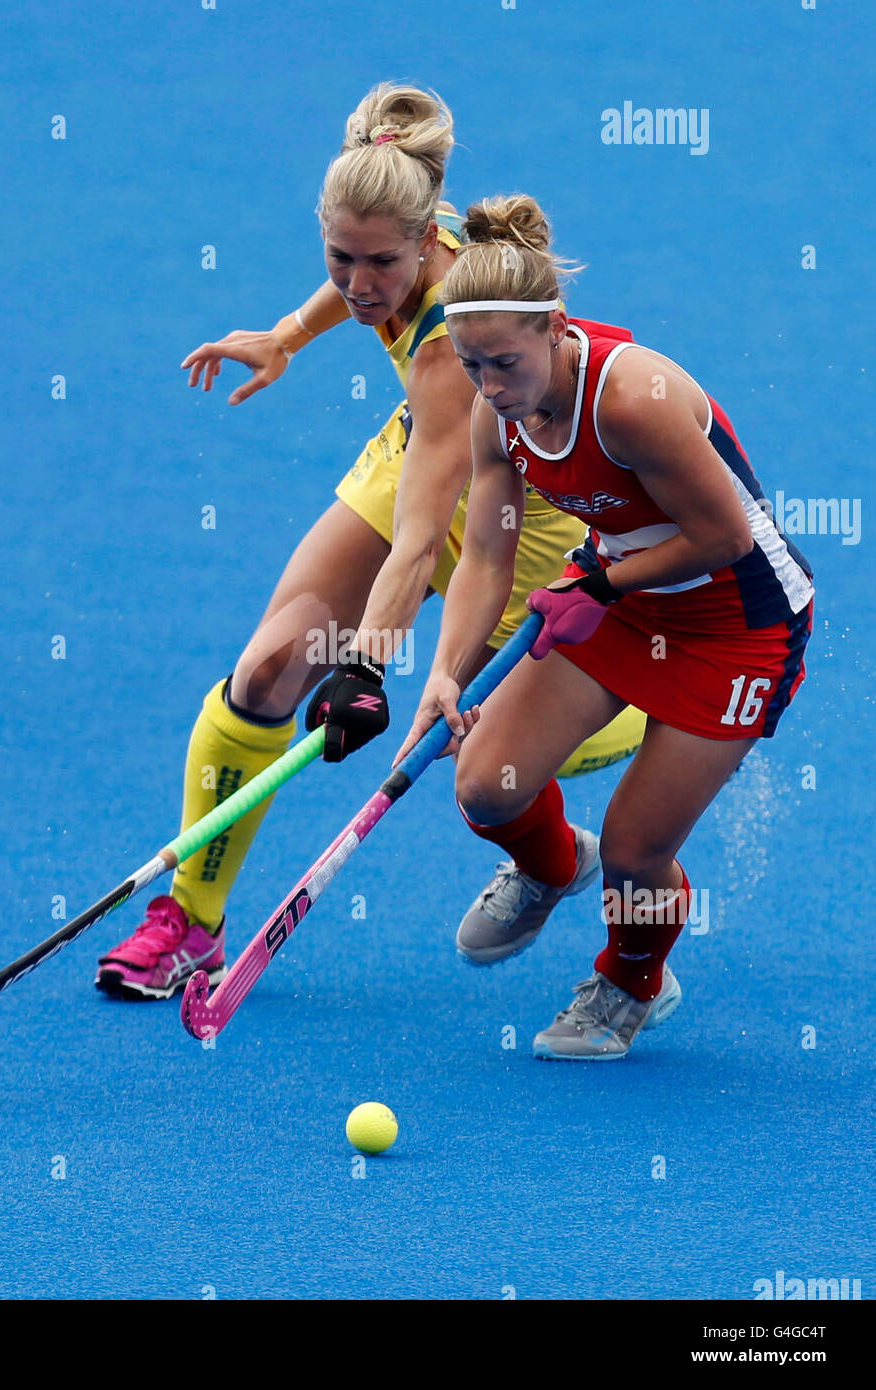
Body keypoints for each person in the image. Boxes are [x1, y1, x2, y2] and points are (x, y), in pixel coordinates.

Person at [95, 90, 644, 1001]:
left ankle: (560, 850)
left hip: (522, 521)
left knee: (491, 765)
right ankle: (190, 924)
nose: (357, 285)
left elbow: (425, 541)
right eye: (338, 258)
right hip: (427, 462)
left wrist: (364, 669)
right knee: (270, 667)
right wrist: (286, 336)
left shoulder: (446, 347)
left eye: (380, 264)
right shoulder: (395, 240)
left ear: (427, 243)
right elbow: (355, 293)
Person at [396, 195, 814, 1059]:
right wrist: (444, 673)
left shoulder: (631, 399)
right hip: (624, 598)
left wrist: (606, 583)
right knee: (485, 785)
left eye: (506, 363)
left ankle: (631, 982)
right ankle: (552, 866)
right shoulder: (495, 411)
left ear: (554, 327)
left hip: (738, 622)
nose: (492, 389)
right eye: (472, 367)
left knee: (636, 849)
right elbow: (484, 556)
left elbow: (723, 538)